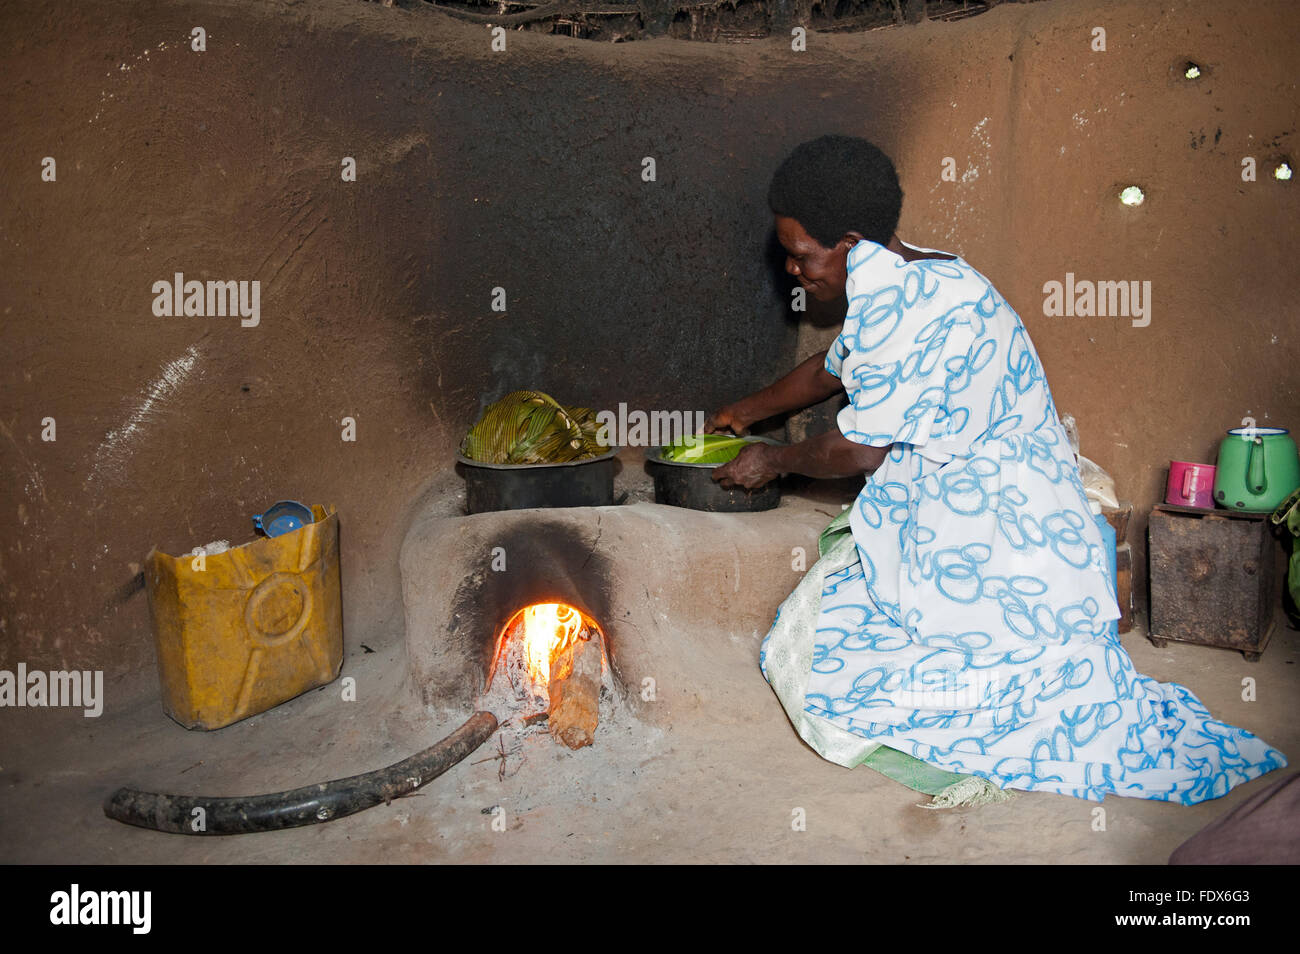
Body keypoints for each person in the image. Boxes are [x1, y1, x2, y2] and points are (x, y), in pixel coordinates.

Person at [707, 135, 1285, 803]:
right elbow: (830, 369)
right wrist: (745, 411)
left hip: (1005, 539)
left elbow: (858, 451)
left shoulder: (911, 305)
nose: (791, 269)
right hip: (1016, 513)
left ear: (851, 242)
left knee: (831, 670)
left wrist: (770, 463)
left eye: (803, 255)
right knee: (837, 626)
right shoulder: (916, 271)